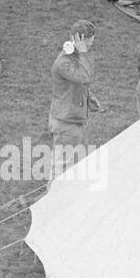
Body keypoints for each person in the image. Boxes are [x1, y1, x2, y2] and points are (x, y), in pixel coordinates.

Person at [48, 20, 103, 178]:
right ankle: (54, 197)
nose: (92, 43)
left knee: (68, 163)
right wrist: (84, 52)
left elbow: (78, 82)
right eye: (89, 40)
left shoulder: (73, 57)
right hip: (66, 122)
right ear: (81, 41)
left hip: (70, 118)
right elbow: (84, 76)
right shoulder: (64, 62)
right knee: (62, 166)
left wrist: (89, 97)